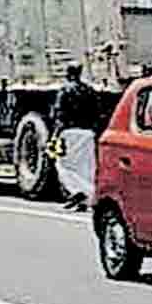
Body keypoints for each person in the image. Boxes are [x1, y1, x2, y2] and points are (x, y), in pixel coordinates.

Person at [51, 63, 99, 212]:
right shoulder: (90, 90)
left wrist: (55, 135)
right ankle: (87, 198)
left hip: (69, 133)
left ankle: (76, 192)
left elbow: (59, 114)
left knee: (63, 165)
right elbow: (98, 112)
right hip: (88, 134)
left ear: (68, 73)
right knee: (87, 167)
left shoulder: (65, 90)